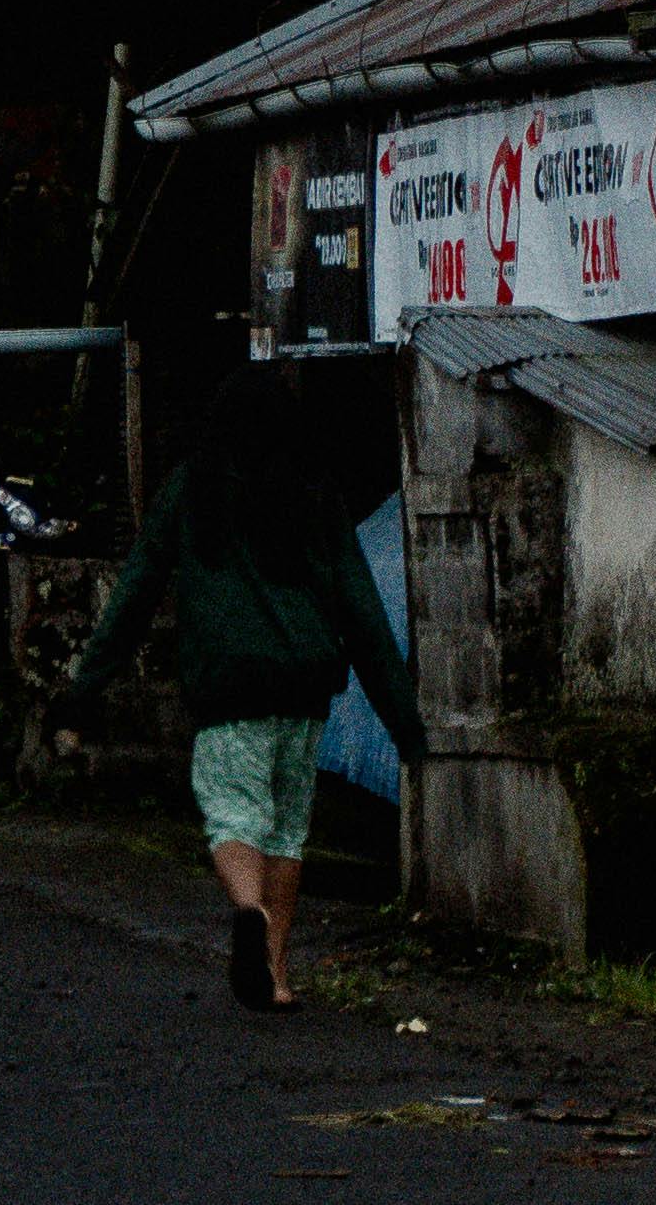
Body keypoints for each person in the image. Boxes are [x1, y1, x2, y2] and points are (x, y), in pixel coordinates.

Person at [64, 369, 422, 1010]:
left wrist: (81, 692)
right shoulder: (314, 490)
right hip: (305, 690)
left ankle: (248, 913)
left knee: (234, 817)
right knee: (286, 833)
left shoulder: (192, 487)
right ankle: (278, 979)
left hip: (231, 690)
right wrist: (405, 725)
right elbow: (364, 613)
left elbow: (134, 594)